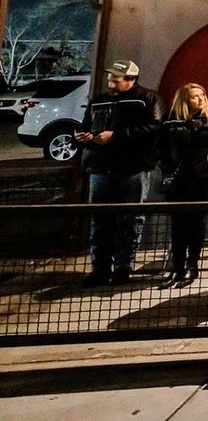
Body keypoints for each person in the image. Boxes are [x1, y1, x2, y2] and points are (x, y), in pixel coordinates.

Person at [77, 60, 162, 287]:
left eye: (117, 78)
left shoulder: (147, 99)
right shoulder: (99, 101)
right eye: (111, 77)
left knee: (130, 218)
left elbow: (154, 128)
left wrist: (115, 135)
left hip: (132, 167)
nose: (111, 81)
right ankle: (101, 267)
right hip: (101, 165)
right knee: (101, 219)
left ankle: (122, 266)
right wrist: (84, 136)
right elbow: (86, 126)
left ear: (131, 79)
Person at [159, 83, 208, 288]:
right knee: (177, 223)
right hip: (178, 176)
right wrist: (167, 167)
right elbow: (161, 145)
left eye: (202, 95)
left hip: (202, 176)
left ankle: (192, 265)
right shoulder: (170, 118)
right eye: (194, 96)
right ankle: (177, 267)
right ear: (184, 100)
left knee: (197, 222)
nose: (199, 99)